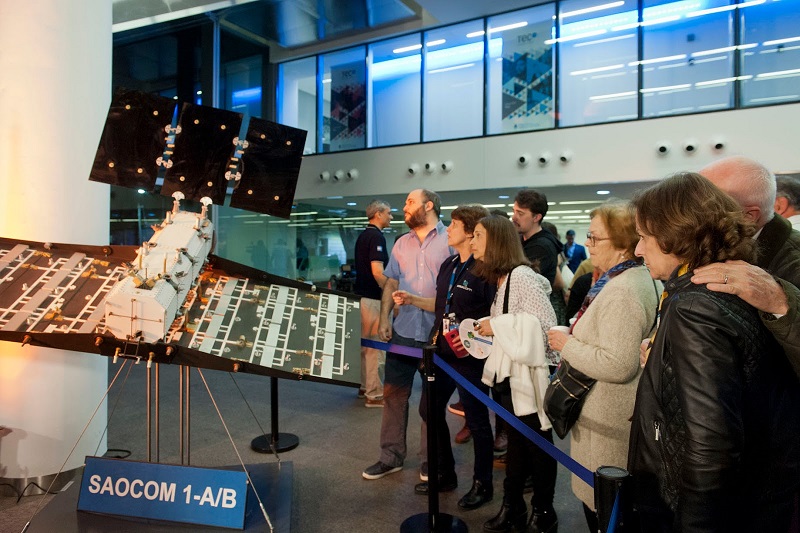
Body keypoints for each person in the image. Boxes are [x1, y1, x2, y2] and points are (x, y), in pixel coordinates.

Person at [628, 172, 800, 533]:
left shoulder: (694, 305)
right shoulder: (727, 287)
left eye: (644, 237)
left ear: (678, 234)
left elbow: (710, 450)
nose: (637, 250)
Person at [547, 202, 660, 533]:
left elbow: (618, 364)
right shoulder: (630, 278)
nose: (589, 245)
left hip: (608, 419)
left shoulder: (623, 288)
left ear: (623, 242)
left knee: (607, 511)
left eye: (595, 238)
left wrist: (566, 344)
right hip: (616, 414)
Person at [393, 205, 496, 509]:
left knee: (477, 422)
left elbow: (494, 318)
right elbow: (441, 307)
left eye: (454, 225)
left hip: (470, 359)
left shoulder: (485, 270)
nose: (448, 229)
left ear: (471, 232)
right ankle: (445, 473)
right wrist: (412, 300)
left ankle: (483, 484)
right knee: (429, 409)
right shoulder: (449, 265)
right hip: (441, 354)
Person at [471, 214, 559, 533]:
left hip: (527, 380)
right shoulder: (504, 278)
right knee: (519, 446)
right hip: (512, 380)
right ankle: (514, 508)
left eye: (478, 235)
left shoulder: (520, 276)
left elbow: (547, 326)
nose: (472, 241)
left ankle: (543, 512)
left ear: (495, 240)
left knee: (537, 447)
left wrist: (497, 325)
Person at [362, 189, 452, 481]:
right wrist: (385, 319)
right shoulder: (401, 243)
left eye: (410, 202)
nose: (404, 207)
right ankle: (390, 457)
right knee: (393, 395)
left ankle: (430, 460)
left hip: (435, 336)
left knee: (431, 401)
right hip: (403, 332)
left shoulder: (451, 240)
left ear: (428, 206)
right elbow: (390, 283)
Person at [691, 156, 800, 379]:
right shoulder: (719, 244)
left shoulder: (793, 260)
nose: (693, 214)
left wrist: (781, 304)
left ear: (749, 215)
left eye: (707, 205)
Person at [354, 199, 393, 408]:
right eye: (388, 213)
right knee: (376, 349)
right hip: (373, 299)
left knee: (365, 347)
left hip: (361, 298)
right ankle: (375, 394)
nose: (391, 216)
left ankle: (363, 387)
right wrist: (391, 290)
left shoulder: (363, 236)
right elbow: (378, 273)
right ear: (378, 214)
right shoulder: (376, 236)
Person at [511, 189, 561, 286]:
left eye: (520, 213)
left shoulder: (542, 247)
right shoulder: (522, 240)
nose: (514, 217)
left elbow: (519, 280)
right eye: (514, 211)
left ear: (536, 217)